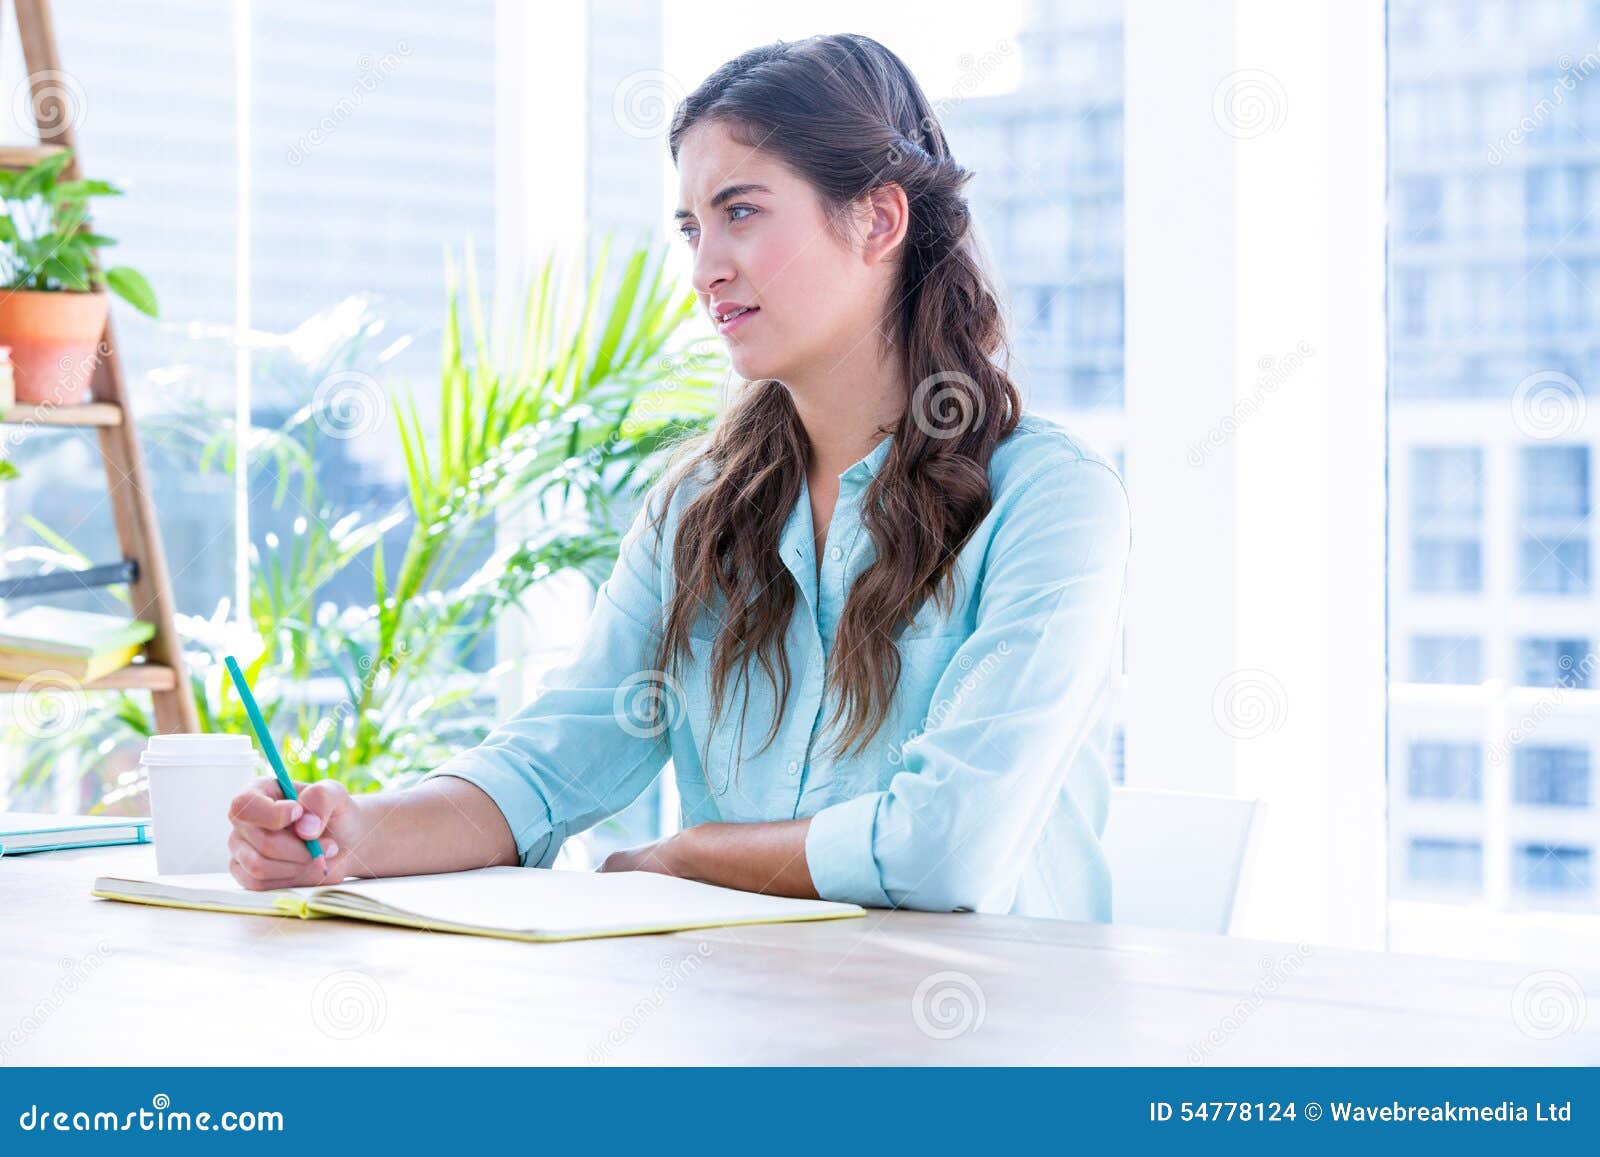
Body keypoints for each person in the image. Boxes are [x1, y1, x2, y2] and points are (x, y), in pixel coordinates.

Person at [224, 32, 1131, 921]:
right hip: (753, 1020)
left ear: (879, 219)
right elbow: (551, 763)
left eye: (742, 212)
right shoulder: (699, 508)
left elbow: (947, 847)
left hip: (993, 1039)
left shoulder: (1049, 499)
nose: (704, 269)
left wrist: (688, 857)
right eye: (693, 227)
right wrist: (359, 833)